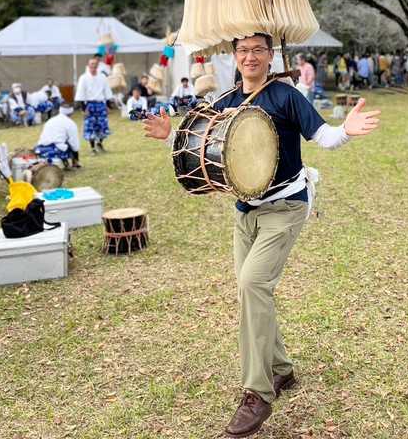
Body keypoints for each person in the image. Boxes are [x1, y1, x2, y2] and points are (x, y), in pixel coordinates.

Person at [144, 32, 380, 437]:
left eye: (258, 50)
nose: (250, 56)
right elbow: (202, 147)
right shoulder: (226, 100)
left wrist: (346, 129)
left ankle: (257, 393)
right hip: (245, 211)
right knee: (251, 291)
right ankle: (281, 368)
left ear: (271, 55)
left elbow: (324, 137)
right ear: (234, 56)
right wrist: (170, 136)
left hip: (286, 206)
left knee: (253, 283)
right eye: (243, 50)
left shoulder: (287, 96)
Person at [75, 57, 113, 153]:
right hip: (89, 105)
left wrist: (108, 105)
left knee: (102, 125)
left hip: (101, 104)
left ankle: (99, 143)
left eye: (95, 64)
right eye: (91, 64)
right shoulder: (83, 78)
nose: (93, 65)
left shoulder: (102, 77)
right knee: (90, 126)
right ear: (88, 65)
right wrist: (83, 108)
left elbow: (107, 91)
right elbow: (81, 93)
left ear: (98, 65)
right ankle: (92, 148)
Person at [34, 103, 81, 169]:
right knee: (70, 144)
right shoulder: (70, 123)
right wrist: (76, 156)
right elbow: (74, 144)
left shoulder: (50, 120)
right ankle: (75, 163)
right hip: (56, 150)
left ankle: (64, 162)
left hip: (39, 149)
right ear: (71, 112)